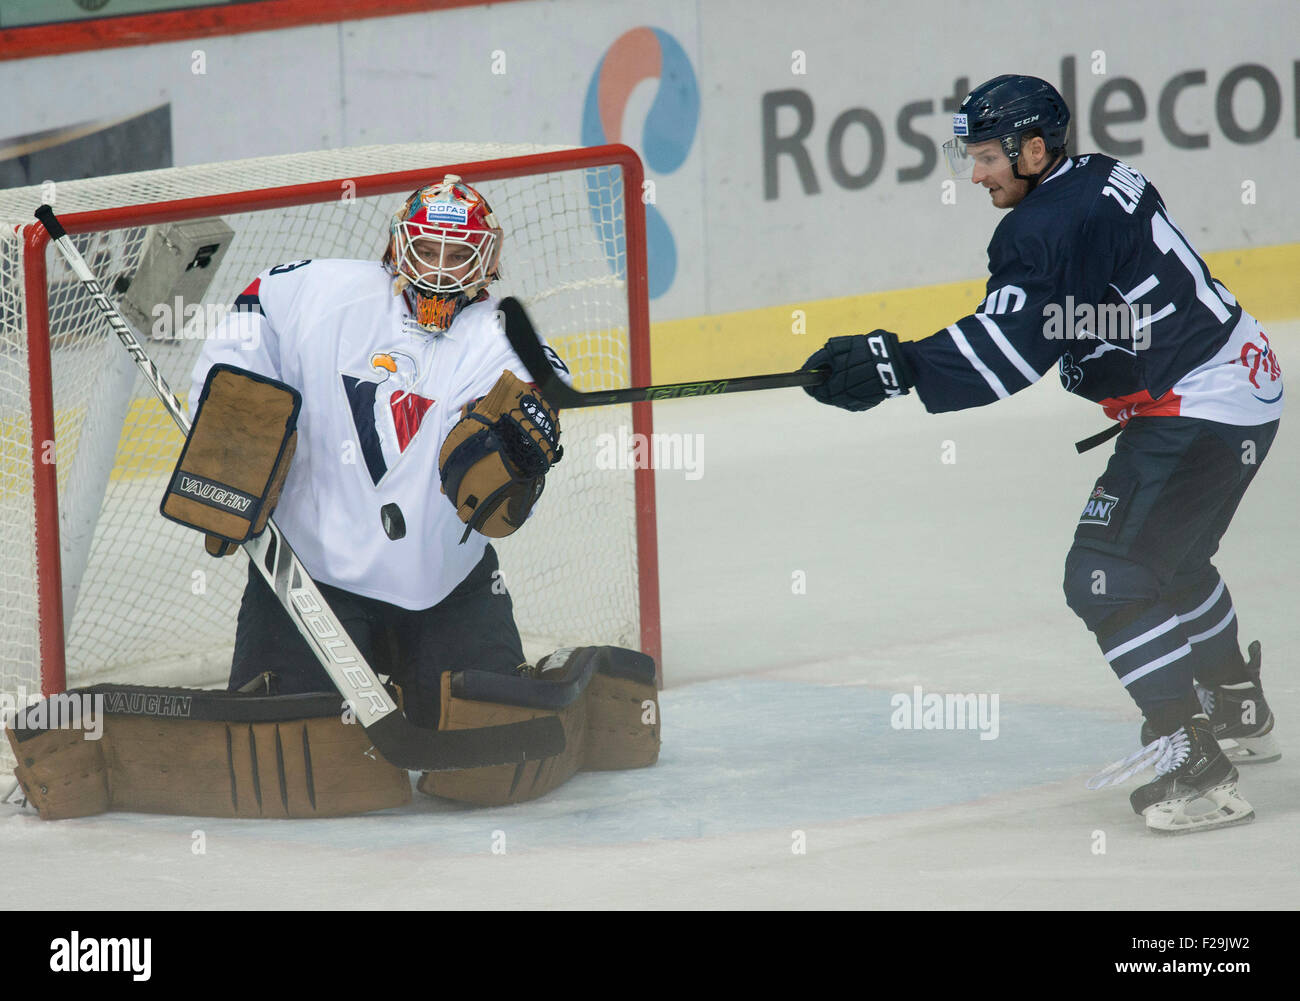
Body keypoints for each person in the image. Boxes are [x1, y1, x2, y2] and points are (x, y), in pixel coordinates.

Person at [800, 75, 1283, 833]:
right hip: (1246, 380)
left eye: (988, 156)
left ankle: (1194, 765)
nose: (976, 174)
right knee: (1174, 560)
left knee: (1104, 573)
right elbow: (1076, 311)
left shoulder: (1042, 226)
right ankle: (1236, 704)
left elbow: (1005, 353)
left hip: (1202, 408)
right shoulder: (1095, 177)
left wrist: (898, 365)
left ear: (1033, 149)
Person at [189, 175, 566, 729]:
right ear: (398, 246)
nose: (439, 267)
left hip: (447, 585)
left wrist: (527, 433)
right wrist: (234, 411)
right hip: (308, 579)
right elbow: (260, 301)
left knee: (495, 747)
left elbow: (540, 382)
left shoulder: (497, 335)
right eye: (427, 248)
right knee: (286, 752)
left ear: (486, 262)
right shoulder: (326, 290)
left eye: (458, 253)